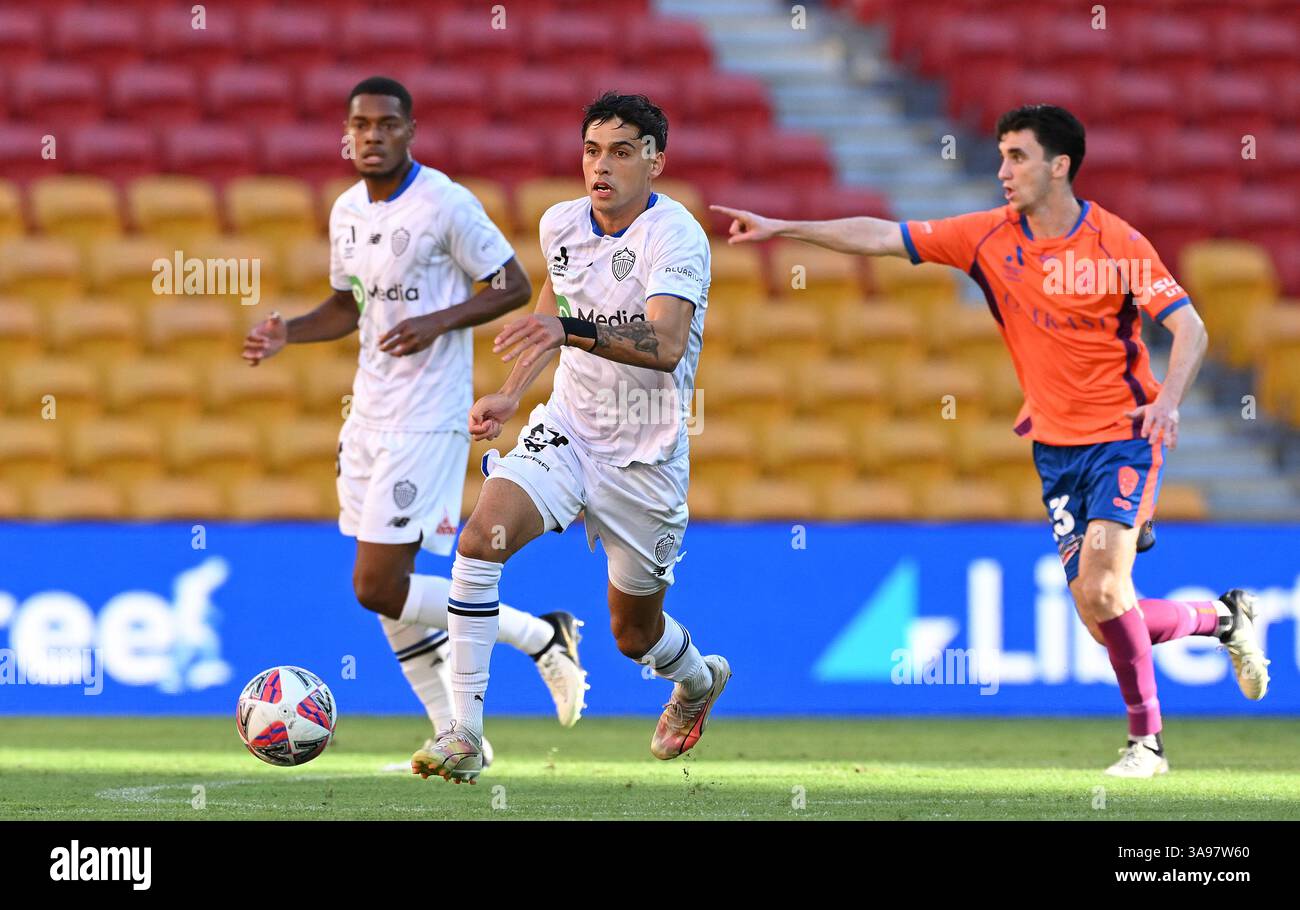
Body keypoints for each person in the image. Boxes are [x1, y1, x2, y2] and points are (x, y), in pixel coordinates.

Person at [711, 104, 1269, 779]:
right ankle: (1223, 617)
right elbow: (884, 236)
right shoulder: (986, 238)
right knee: (1101, 611)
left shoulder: (1116, 243)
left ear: (1059, 166)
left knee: (1103, 586)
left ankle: (1145, 744)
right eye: (1002, 155)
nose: (1002, 170)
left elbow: (1192, 329)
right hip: (1056, 450)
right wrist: (784, 227)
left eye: (1018, 157)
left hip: (1125, 435)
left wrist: (1170, 403)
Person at [242, 77, 588, 772]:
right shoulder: (345, 211)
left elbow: (513, 286)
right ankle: (462, 740)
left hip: (426, 418)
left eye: (386, 124)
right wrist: (293, 331)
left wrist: (437, 319)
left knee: (375, 582)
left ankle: (540, 634)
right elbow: (349, 307)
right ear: (347, 133)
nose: (372, 135)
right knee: (392, 598)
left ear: (410, 130)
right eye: (360, 125)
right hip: (366, 417)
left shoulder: (446, 204)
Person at [416, 93, 730, 784]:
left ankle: (699, 680)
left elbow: (667, 342)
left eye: (621, 151)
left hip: (645, 461)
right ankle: (462, 732)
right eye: (592, 150)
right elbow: (547, 315)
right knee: (477, 541)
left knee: (632, 635)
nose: (602, 166)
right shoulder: (560, 223)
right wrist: (511, 392)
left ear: (655, 159)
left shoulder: (676, 237)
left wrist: (572, 330)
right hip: (567, 430)